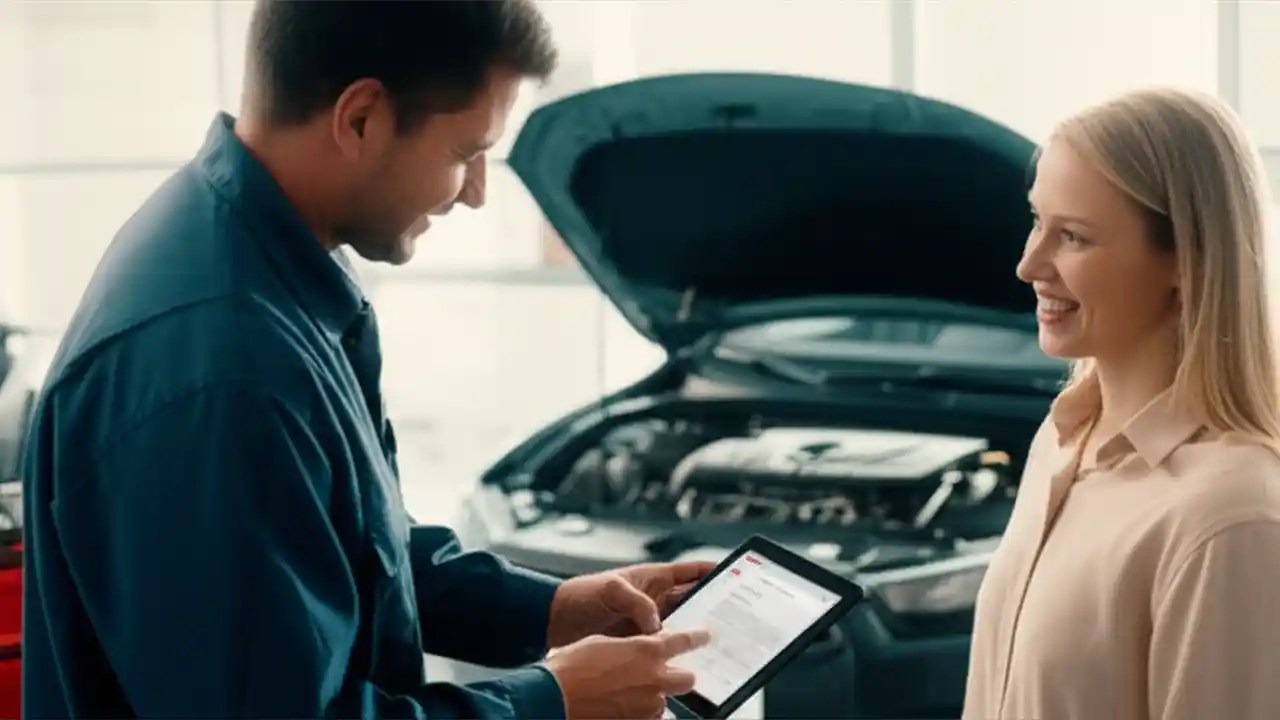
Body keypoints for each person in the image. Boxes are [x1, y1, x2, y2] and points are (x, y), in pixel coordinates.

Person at [19, 2, 713, 718]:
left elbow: (351, 558)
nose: (474, 193)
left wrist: (554, 608)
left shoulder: (268, 264)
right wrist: (551, 702)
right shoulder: (223, 373)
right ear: (360, 119)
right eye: (464, 153)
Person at [963, 87, 1280, 720]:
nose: (1029, 265)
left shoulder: (1231, 520)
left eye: (1074, 237)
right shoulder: (1060, 439)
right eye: (1036, 221)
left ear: (1186, 260)